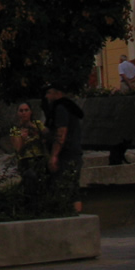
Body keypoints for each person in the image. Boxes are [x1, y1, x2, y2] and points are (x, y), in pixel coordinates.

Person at [44, 84, 85, 213]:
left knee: (67, 188)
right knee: (73, 188)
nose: (47, 96)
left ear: (58, 93)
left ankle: (72, 215)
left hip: (67, 154)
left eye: (49, 93)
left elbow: (61, 133)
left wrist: (54, 155)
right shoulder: (70, 107)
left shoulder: (60, 108)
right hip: (74, 152)